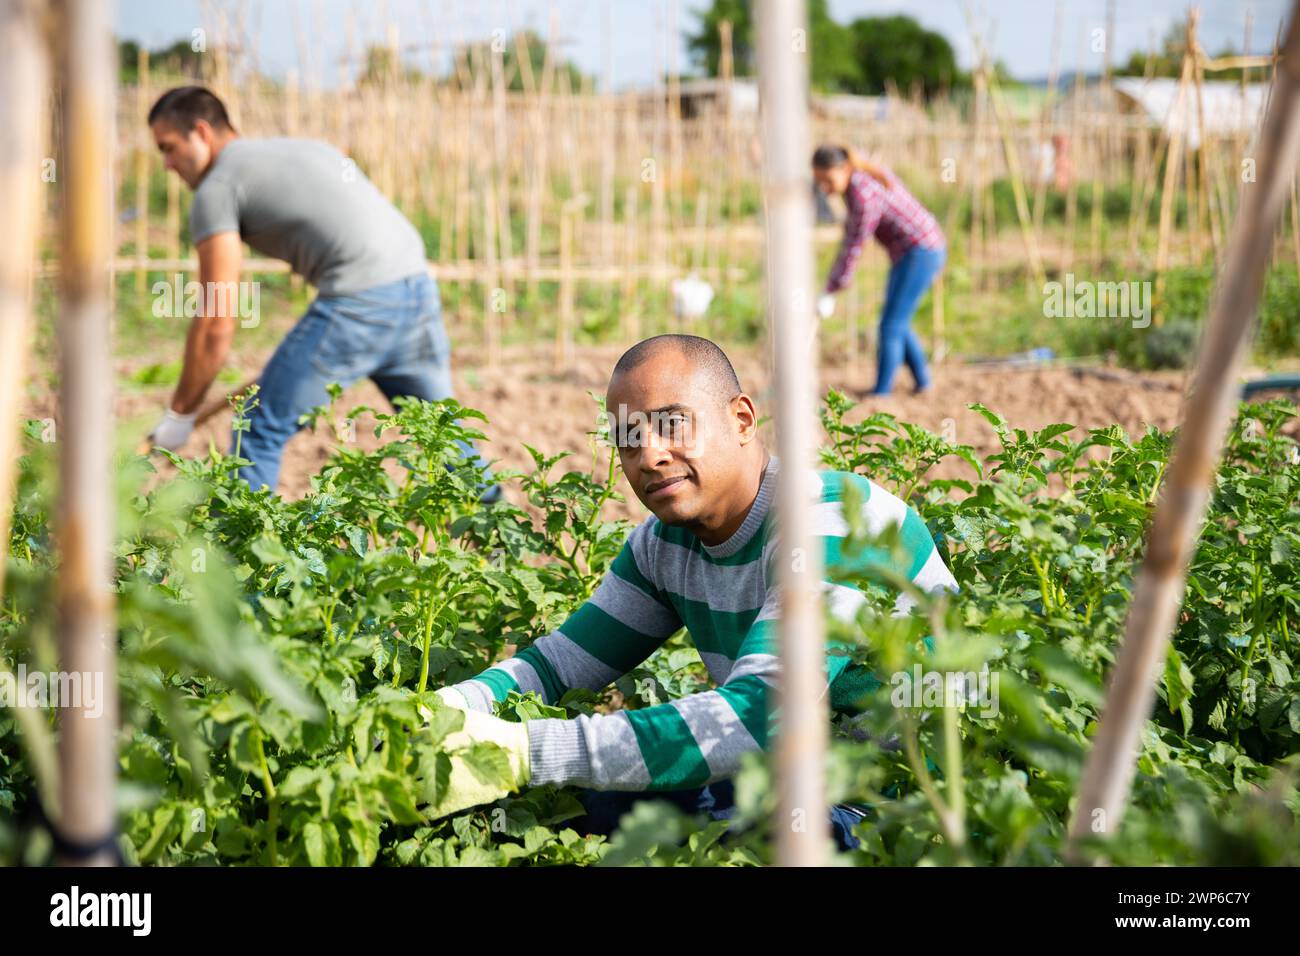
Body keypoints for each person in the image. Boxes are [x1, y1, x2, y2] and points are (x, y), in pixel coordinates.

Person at [426, 334, 959, 853]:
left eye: (672, 425)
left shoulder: (834, 522)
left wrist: (524, 753)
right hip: (790, 782)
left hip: (908, 810)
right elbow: (558, 667)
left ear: (742, 420)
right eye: (628, 439)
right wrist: (440, 711)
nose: (649, 456)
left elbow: (759, 717)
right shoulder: (664, 546)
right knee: (583, 805)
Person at [145, 86, 496, 499]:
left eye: (168, 148)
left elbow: (216, 319)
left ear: (201, 132)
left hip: (360, 301)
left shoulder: (217, 188)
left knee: (256, 425)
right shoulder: (303, 148)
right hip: (414, 287)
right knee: (442, 435)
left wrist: (180, 414)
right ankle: (504, 548)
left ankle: (239, 559)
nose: (167, 165)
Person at [812, 145, 946, 396]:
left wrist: (831, 288)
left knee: (891, 324)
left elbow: (854, 244)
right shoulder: (858, 178)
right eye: (819, 182)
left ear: (844, 169)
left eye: (828, 181)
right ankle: (924, 383)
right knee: (898, 321)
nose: (824, 189)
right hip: (913, 252)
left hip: (922, 251)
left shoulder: (863, 194)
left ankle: (882, 393)